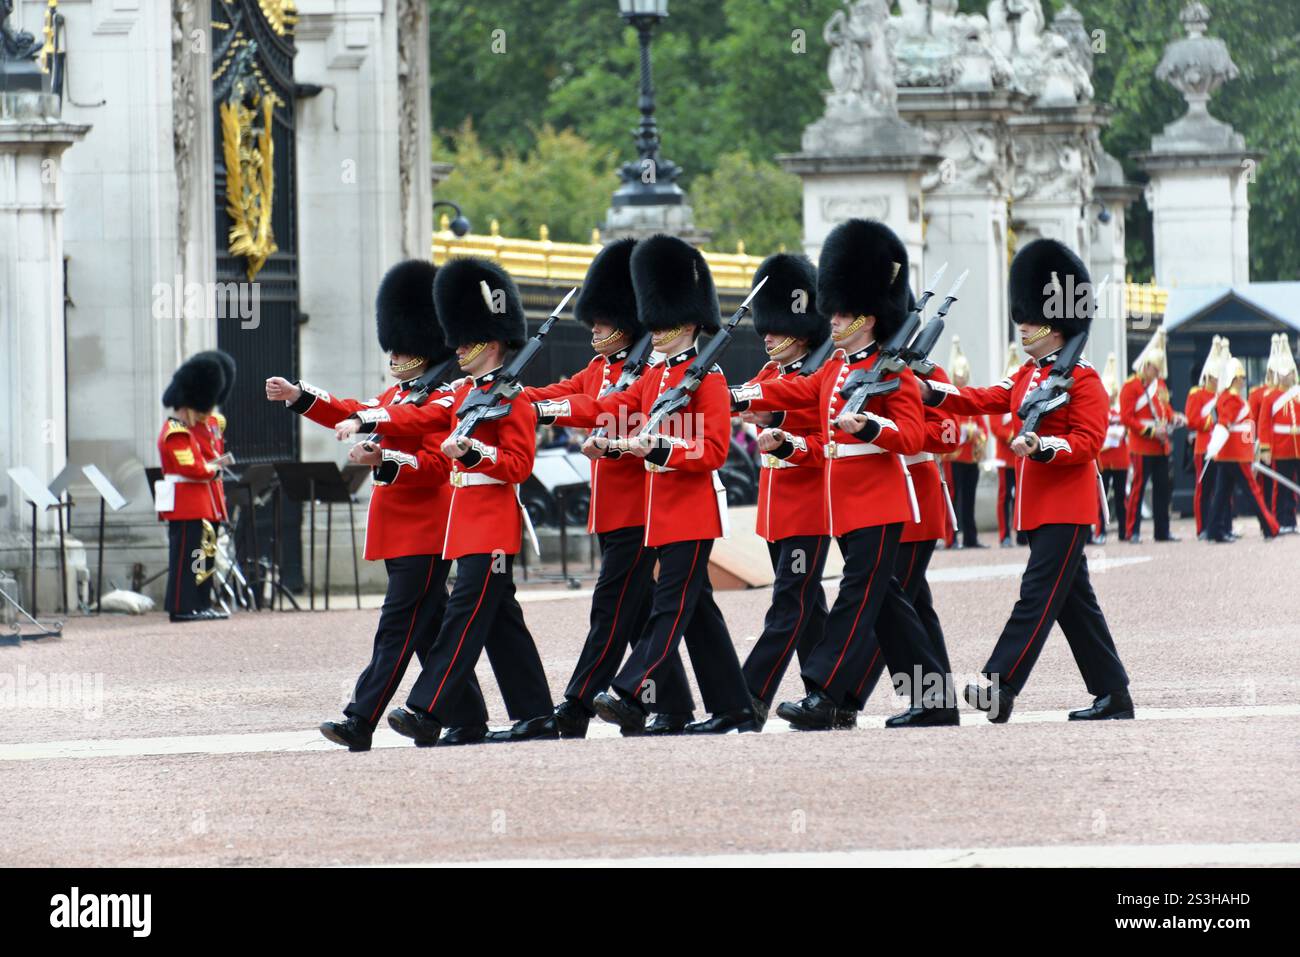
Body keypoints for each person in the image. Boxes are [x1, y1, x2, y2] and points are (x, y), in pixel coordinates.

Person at [266, 260, 506, 751]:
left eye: (405, 345)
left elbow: (436, 462)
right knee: (427, 628)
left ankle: (361, 719)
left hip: (426, 531)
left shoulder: (445, 395)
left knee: (396, 630)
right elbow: (363, 408)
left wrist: (384, 451)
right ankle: (469, 719)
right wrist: (299, 397)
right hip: (400, 532)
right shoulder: (400, 393)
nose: (396, 353)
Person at [731, 219, 957, 729]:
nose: (831, 319)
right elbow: (793, 393)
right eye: (832, 309)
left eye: (844, 312)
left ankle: (824, 692)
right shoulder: (834, 368)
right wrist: (739, 397)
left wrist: (871, 425)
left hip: (880, 502)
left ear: (869, 317)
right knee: (890, 608)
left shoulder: (893, 370)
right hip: (845, 506)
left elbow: (913, 435)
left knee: (858, 598)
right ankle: (935, 702)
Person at [921, 238, 1133, 723]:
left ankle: (1000, 685)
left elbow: (1089, 441)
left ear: (1057, 327)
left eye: (1032, 319)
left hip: (1068, 507)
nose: (1023, 326)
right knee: (1075, 606)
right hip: (1039, 509)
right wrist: (928, 388)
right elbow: (978, 398)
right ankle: (1114, 695)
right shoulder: (1026, 377)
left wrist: (1043, 447)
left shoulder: (1083, 381)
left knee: (1035, 598)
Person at [556, 235, 756, 735]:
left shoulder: (706, 379)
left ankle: (627, 690)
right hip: (660, 510)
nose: (654, 330)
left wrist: (661, 449)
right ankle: (733, 706)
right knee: (697, 611)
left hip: (692, 509)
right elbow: (615, 408)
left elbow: (711, 451)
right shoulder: (655, 378)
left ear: (688, 323)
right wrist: (607, 443)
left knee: (670, 606)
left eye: (663, 321)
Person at [364, 257, 556, 746]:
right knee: (501, 623)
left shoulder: (514, 398)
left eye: (466, 341)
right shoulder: (463, 393)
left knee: (464, 617)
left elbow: (518, 466)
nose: (456, 349)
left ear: (490, 343)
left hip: (493, 520)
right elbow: (416, 425)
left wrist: (475, 451)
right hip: (462, 521)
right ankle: (535, 714)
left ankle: (427, 709)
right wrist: (373, 432)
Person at [526, 237, 698, 737]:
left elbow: (609, 410)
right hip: (614, 508)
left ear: (625, 323)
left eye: (601, 324)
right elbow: (563, 391)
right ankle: (675, 706)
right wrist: (519, 399)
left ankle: (578, 705)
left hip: (638, 507)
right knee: (644, 613)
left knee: (611, 610)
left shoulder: (645, 370)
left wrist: (550, 411)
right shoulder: (601, 367)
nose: (595, 332)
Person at [730, 253, 834, 729]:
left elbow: (823, 443)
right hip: (775, 510)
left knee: (788, 605)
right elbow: (743, 396)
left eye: (775, 329)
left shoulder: (819, 376)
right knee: (807, 608)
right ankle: (827, 696)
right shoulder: (771, 373)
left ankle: (750, 696)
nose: (766, 335)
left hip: (810, 508)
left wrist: (784, 438)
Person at [157, 354, 229, 622]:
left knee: (203, 558)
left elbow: (208, 453)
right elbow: (194, 468)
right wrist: (213, 468)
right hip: (186, 504)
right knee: (186, 561)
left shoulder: (195, 427)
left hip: (203, 503)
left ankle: (199, 603)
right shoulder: (175, 431)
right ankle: (181, 606)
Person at [1206, 345, 1279, 543]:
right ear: (1235, 378)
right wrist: (1214, 446)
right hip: (1235, 454)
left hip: (1230, 454)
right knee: (1253, 492)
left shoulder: (1230, 398)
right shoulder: (1232, 400)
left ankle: (1214, 530)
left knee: (1222, 495)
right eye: (1241, 378)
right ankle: (1269, 527)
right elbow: (1225, 424)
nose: (1243, 381)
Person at [1120, 328, 1183, 543]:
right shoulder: (1131, 387)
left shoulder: (1160, 385)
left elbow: (1165, 409)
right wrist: (1149, 431)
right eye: (1154, 369)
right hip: (1141, 444)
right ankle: (1132, 531)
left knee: (1162, 490)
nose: (1156, 374)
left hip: (1160, 444)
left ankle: (1162, 531)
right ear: (1146, 366)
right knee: (1138, 489)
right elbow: (1127, 417)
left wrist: (1175, 418)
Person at [944, 335, 987, 549]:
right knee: (952, 498)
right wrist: (964, 431)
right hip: (954, 457)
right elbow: (947, 428)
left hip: (971, 457)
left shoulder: (969, 399)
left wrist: (977, 433)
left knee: (968, 500)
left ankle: (970, 537)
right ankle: (951, 538)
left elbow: (984, 428)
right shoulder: (949, 400)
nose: (961, 380)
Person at [1185, 336, 1226, 540]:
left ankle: (1219, 526)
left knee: (1220, 490)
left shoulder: (1222, 395)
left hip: (1221, 448)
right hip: (1204, 448)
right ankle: (1202, 528)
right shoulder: (1197, 395)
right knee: (1204, 489)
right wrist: (1212, 422)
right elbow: (1192, 420)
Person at [1258, 336, 1299, 533]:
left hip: (1297, 445)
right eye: (1284, 374)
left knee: (1294, 487)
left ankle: (1292, 520)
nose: (1287, 377)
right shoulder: (1271, 397)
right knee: (1281, 486)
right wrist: (1265, 448)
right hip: (1281, 447)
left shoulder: (1297, 394)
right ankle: (1281, 521)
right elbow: (1264, 425)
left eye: (1290, 373)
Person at [992, 340, 1027, 547]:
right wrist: (1013, 436)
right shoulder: (1001, 398)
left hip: (1021, 454)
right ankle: (1004, 534)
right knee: (1005, 497)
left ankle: (1022, 533)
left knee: (1022, 496)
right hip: (1006, 456)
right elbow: (996, 426)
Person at [1096, 352, 1128, 545]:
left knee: (1120, 497)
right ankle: (1100, 531)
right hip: (1104, 459)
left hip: (1119, 459)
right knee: (1102, 497)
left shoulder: (1119, 411)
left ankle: (1124, 531)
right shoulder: (1100, 412)